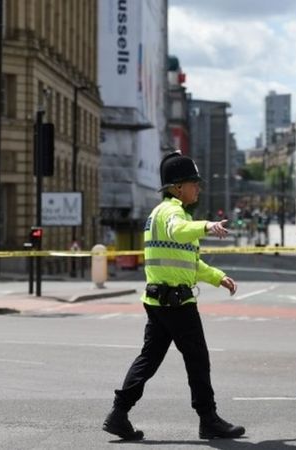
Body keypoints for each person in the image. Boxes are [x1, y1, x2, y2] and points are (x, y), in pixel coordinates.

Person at [103, 150, 245, 441]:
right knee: (198, 360)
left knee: (148, 360)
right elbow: (179, 231)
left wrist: (218, 277)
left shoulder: (157, 213)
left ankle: (118, 414)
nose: (199, 188)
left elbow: (190, 263)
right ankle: (209, 420)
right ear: (178, 187)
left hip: (158, 302)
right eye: (194, 182)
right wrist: (207, 225)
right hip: (178, 303)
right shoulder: (172, 213)